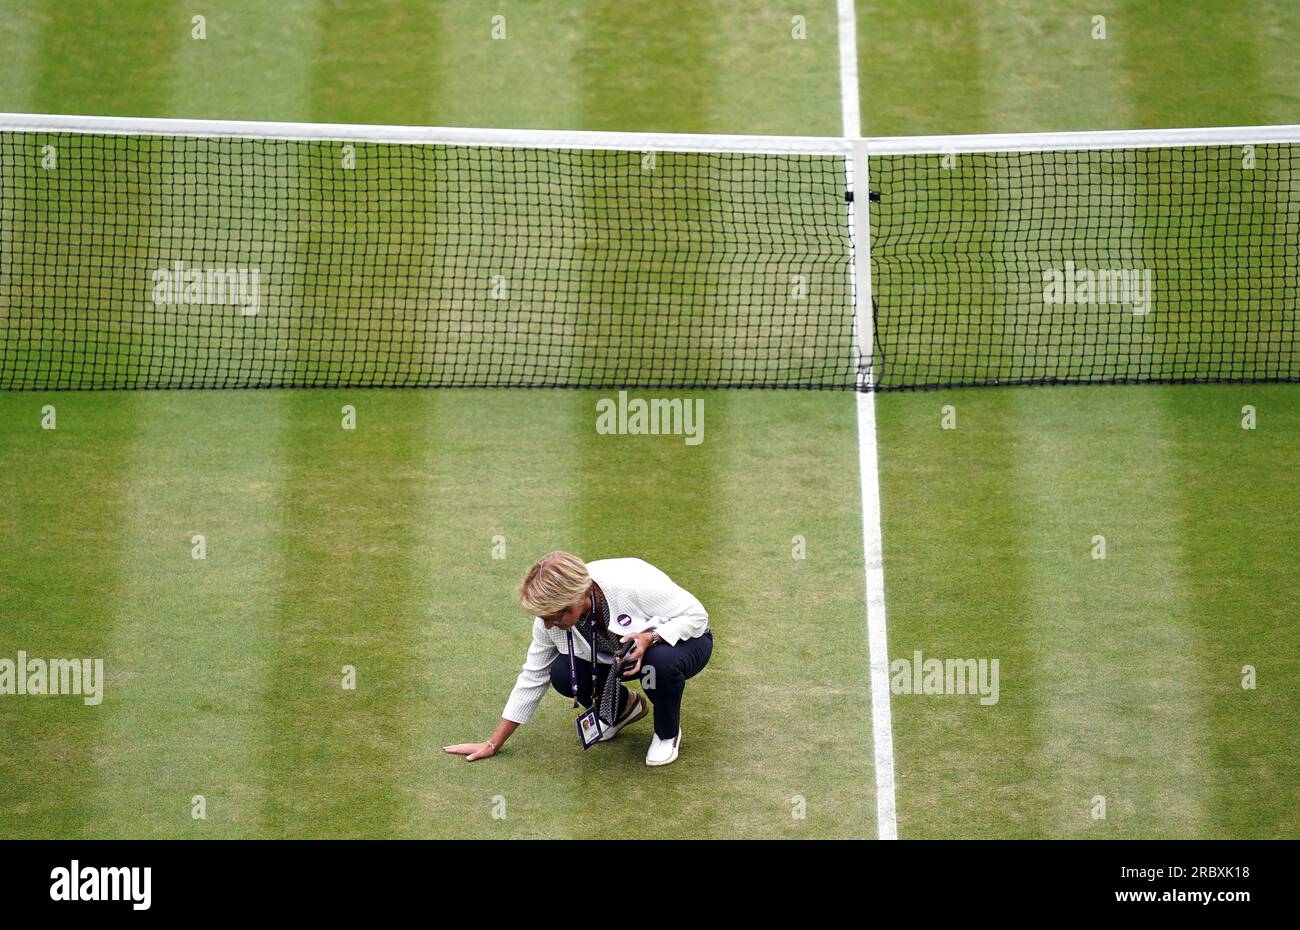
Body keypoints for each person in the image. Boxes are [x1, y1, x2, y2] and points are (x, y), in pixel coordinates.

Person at [444, 551, 713, 766]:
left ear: (578, 598)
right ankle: (621, 709)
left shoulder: (632, 580)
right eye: (543, 618)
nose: (548, 626)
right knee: (561, 673)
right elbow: (533, 676)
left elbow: (697, 617)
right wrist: (493, 743)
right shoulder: (548, 622)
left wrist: (650, 638)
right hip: (613, 659)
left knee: (659, 665)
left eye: (554, 617)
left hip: (683, 642)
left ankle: (667, 733)